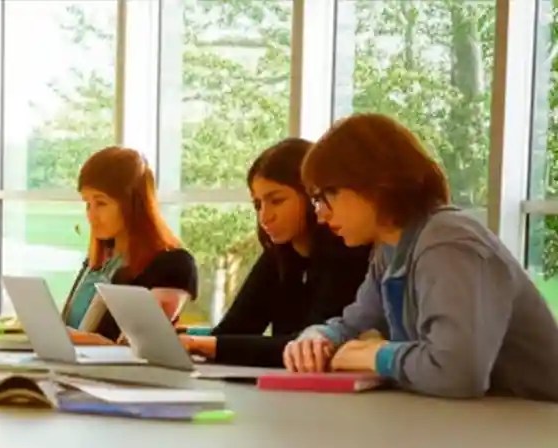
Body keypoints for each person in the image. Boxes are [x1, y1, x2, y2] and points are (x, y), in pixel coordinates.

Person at [284, 113, 558, 401]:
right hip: (491, 418)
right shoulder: (390, 249)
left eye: (326, 195)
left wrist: (376, 355)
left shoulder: (449, 242)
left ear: (375, 182)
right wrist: (319, 337)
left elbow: (458, 372)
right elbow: (357, 323)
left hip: (540, 420)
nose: (320, 214)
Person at [180, 138, 370, 367]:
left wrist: (204, 344)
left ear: (312, 196)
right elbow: (234, 329)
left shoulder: (349, 253)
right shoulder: (278, 255)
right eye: (258, 204)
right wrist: (189, 339)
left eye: (276, 200)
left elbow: (307, 348)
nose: (264, 216)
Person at [59, 146, 198, 344]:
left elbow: (141, 346)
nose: (91, 215)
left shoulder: (173, 264)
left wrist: (86, 340)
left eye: (101, 203)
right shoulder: (99, 261)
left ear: (133, 203)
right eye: (87, 203)